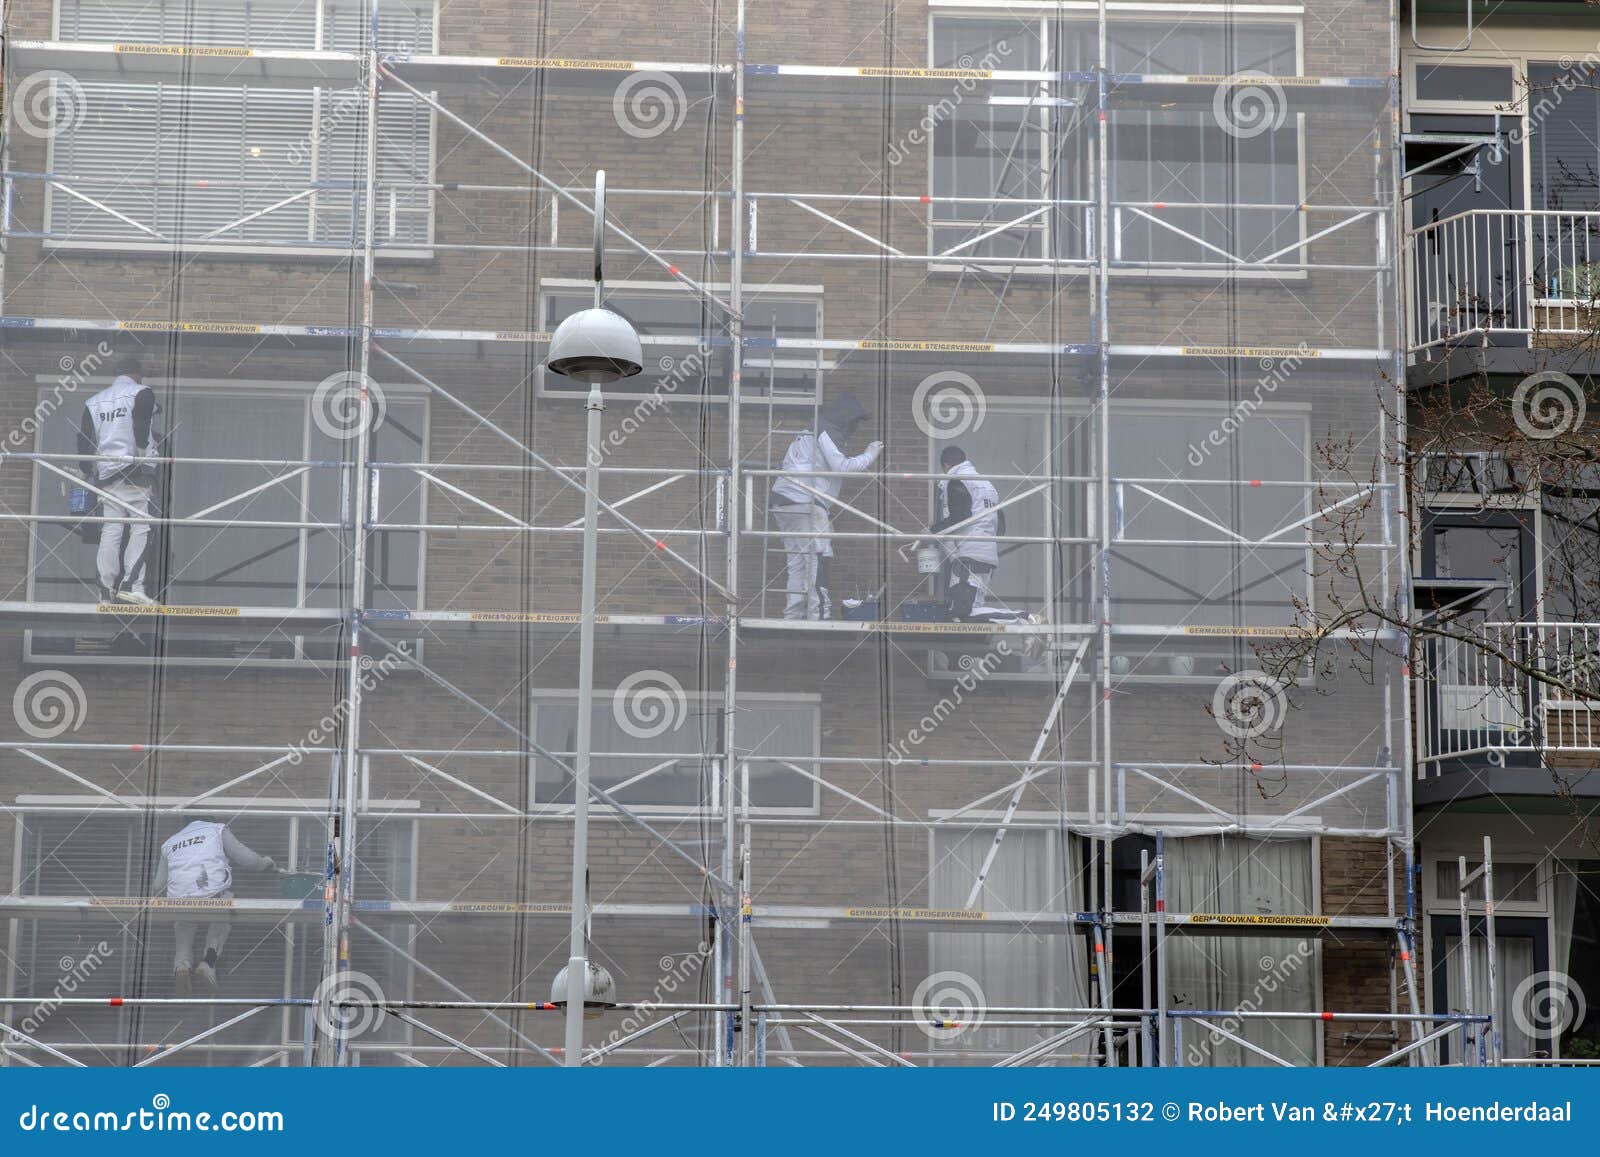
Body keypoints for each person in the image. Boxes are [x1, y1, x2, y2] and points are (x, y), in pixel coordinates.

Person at [769, 394, 882, 620]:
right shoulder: (827, 430)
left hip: (783, 500)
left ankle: (793, 614)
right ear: (846, 419)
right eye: (855, 422)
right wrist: (870, 454)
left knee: (797, 560)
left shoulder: (809, 432)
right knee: (818, 557)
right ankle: (818, 613)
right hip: (806, 501)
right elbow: (841, 467)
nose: (856, 428)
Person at [152, 816, 277, 997]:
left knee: (183, 923)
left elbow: (158, 885)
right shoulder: (216, 829)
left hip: (178, 900)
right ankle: (208, 963)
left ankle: (181, 965)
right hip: (212, 896)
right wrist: (267, 863)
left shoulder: (169, 843)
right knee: (225, 906)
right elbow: (248, 860)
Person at [78, 354, 158, 605]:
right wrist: (143, 456)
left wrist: (86, 469)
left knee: (111, 529)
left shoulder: (94, 402)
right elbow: (141, 425)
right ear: (137, 374)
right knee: (141, 526)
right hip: (134, 470)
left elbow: (84, 441)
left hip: (107, 473)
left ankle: (105, 590)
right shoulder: (142, 392)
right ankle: (132, 585)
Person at [930, 445, 1005, 622]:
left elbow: (961, 516)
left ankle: (1024, 618)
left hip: (970, 555)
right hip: (986, 554)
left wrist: (932, 531)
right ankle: (1023, 619)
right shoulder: (987, 484)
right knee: (970, 609)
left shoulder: (958, 480)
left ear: (946, 465)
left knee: (963, 612)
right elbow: (1001, 526)